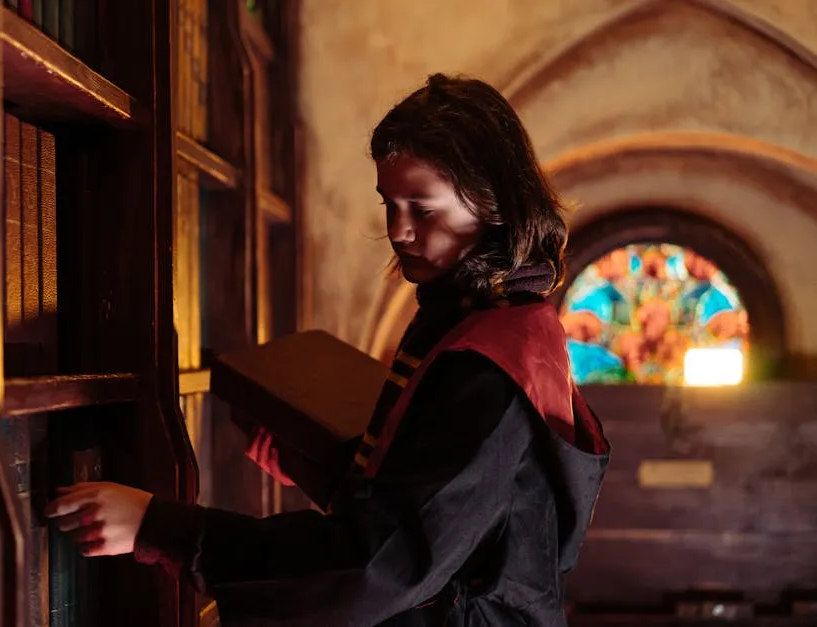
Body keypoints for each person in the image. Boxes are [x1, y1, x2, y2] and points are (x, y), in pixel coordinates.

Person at [45, 73, 611, 626]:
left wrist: (158, 528)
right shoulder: (487, 315)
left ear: (494, 205)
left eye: (423, 208)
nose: (398, 230)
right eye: (388, 203)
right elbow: (454, 506)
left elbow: (382, 566)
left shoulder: (491, 358)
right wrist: (311, 463)